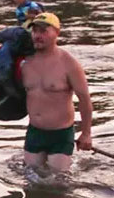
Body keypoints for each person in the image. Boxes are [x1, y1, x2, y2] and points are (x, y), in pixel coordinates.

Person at [19, 13, 94, 173]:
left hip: (60, 134)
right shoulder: (25, 62)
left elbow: (84, 99)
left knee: (58, 183)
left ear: (57, 33)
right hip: (35, 131)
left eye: (44, 31)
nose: (38, 36)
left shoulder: (69, 64)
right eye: (35, 31)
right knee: (30, 180)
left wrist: (86, 134)